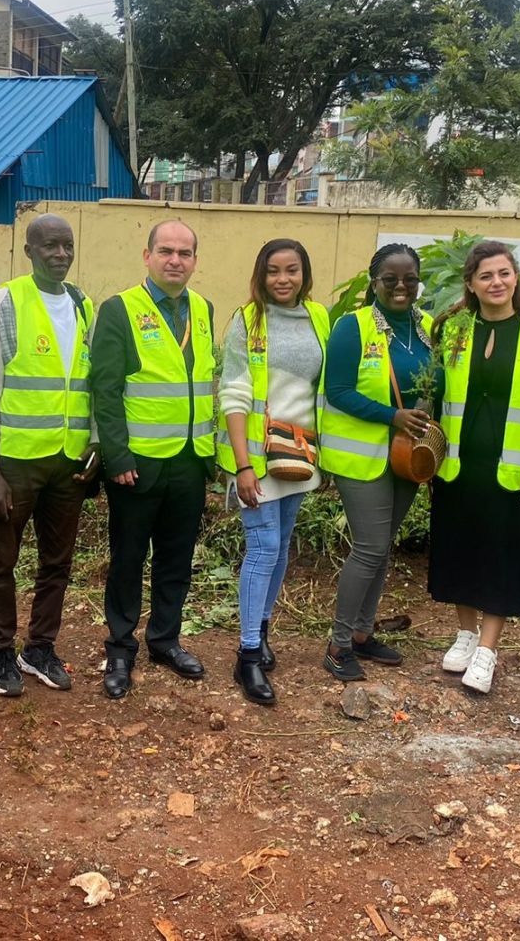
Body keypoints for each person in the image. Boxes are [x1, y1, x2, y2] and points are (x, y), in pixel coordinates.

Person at [0, 213, 98, 696]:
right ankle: (0, 653)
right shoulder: (2, 303)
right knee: (1, 561)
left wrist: (96, 443)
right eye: (50, 246)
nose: (60, 254)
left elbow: (91, 384)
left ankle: (39, 647)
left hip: (68, 462)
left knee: (57, 562)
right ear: (28, 251)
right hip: (15, 462)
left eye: (67, 245)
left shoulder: (83, 304)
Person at [428, 240, 520, 695]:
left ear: (516, 277)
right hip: (458, 465)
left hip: (511, 467)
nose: (497, 282)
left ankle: (488, 648)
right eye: (486, 275)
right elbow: (436, 391)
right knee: (459, 548)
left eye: (504, 273)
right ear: (470, 283)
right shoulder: (453, 328)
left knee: (502, 552)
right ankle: (465, 633)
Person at [91, 220, 214, 699]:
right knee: (127, 559)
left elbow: (203, 381)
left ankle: (165, 639)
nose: (175, 260)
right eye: (166, 251)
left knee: (176, 559)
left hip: (189, 459)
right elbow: (105, 388)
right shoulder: (120, 309)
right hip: (136, 462)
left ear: (194, 260)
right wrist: (116, 454)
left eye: (185, 252)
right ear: (147, 256)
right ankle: (120, 649)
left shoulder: (202, 309)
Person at [218, 239, 330, 705]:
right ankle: (246, 655)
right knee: (262, 548)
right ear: (260, 276)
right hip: (259, 458)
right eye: (273, 271)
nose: (283, 280)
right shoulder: (247, 322)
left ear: (305, 274)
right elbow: (234, 393)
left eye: (292, 270)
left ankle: (261, 631)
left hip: (299, 455)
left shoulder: (320, 318)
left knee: (281, 546)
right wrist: (243, 465)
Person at [317, 243, 431, 685]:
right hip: (361, 457)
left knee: (382, 548)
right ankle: (338, 644)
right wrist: (393, 416)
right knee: (368, 548)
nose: (401, 287)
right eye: (390, 279)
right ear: (374, 281)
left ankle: (363, 634)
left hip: (408, 457)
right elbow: (338, 390)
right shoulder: (353, 327)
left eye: (409, 279)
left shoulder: (423, 328)